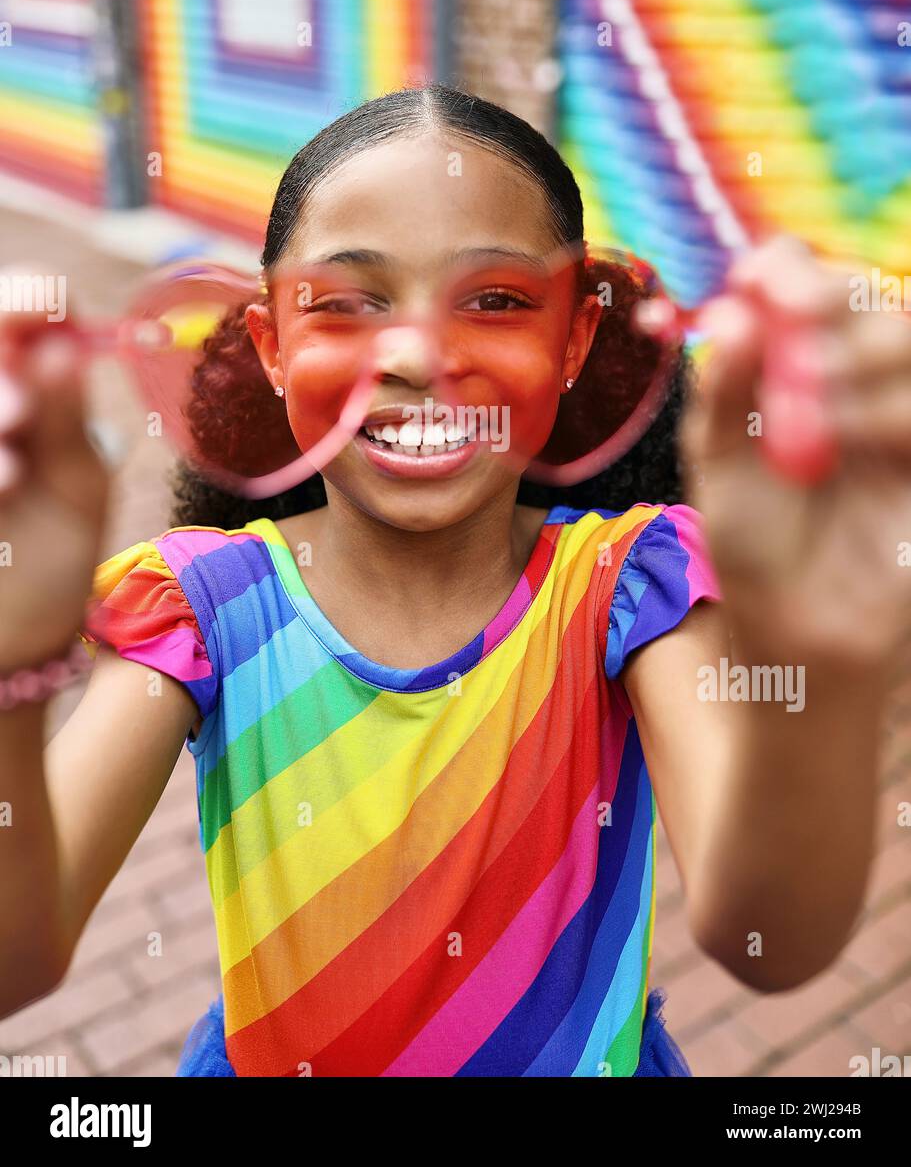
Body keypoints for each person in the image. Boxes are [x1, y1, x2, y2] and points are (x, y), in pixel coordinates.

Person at [0, 85, 908, 1077]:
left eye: (495, 301)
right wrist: (12, 672)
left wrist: (822, 665)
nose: (422, 357)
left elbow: (765, 937)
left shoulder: (624, 589)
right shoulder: (205, 607)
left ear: (571, 340)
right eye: (346, 303)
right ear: (269, 346)